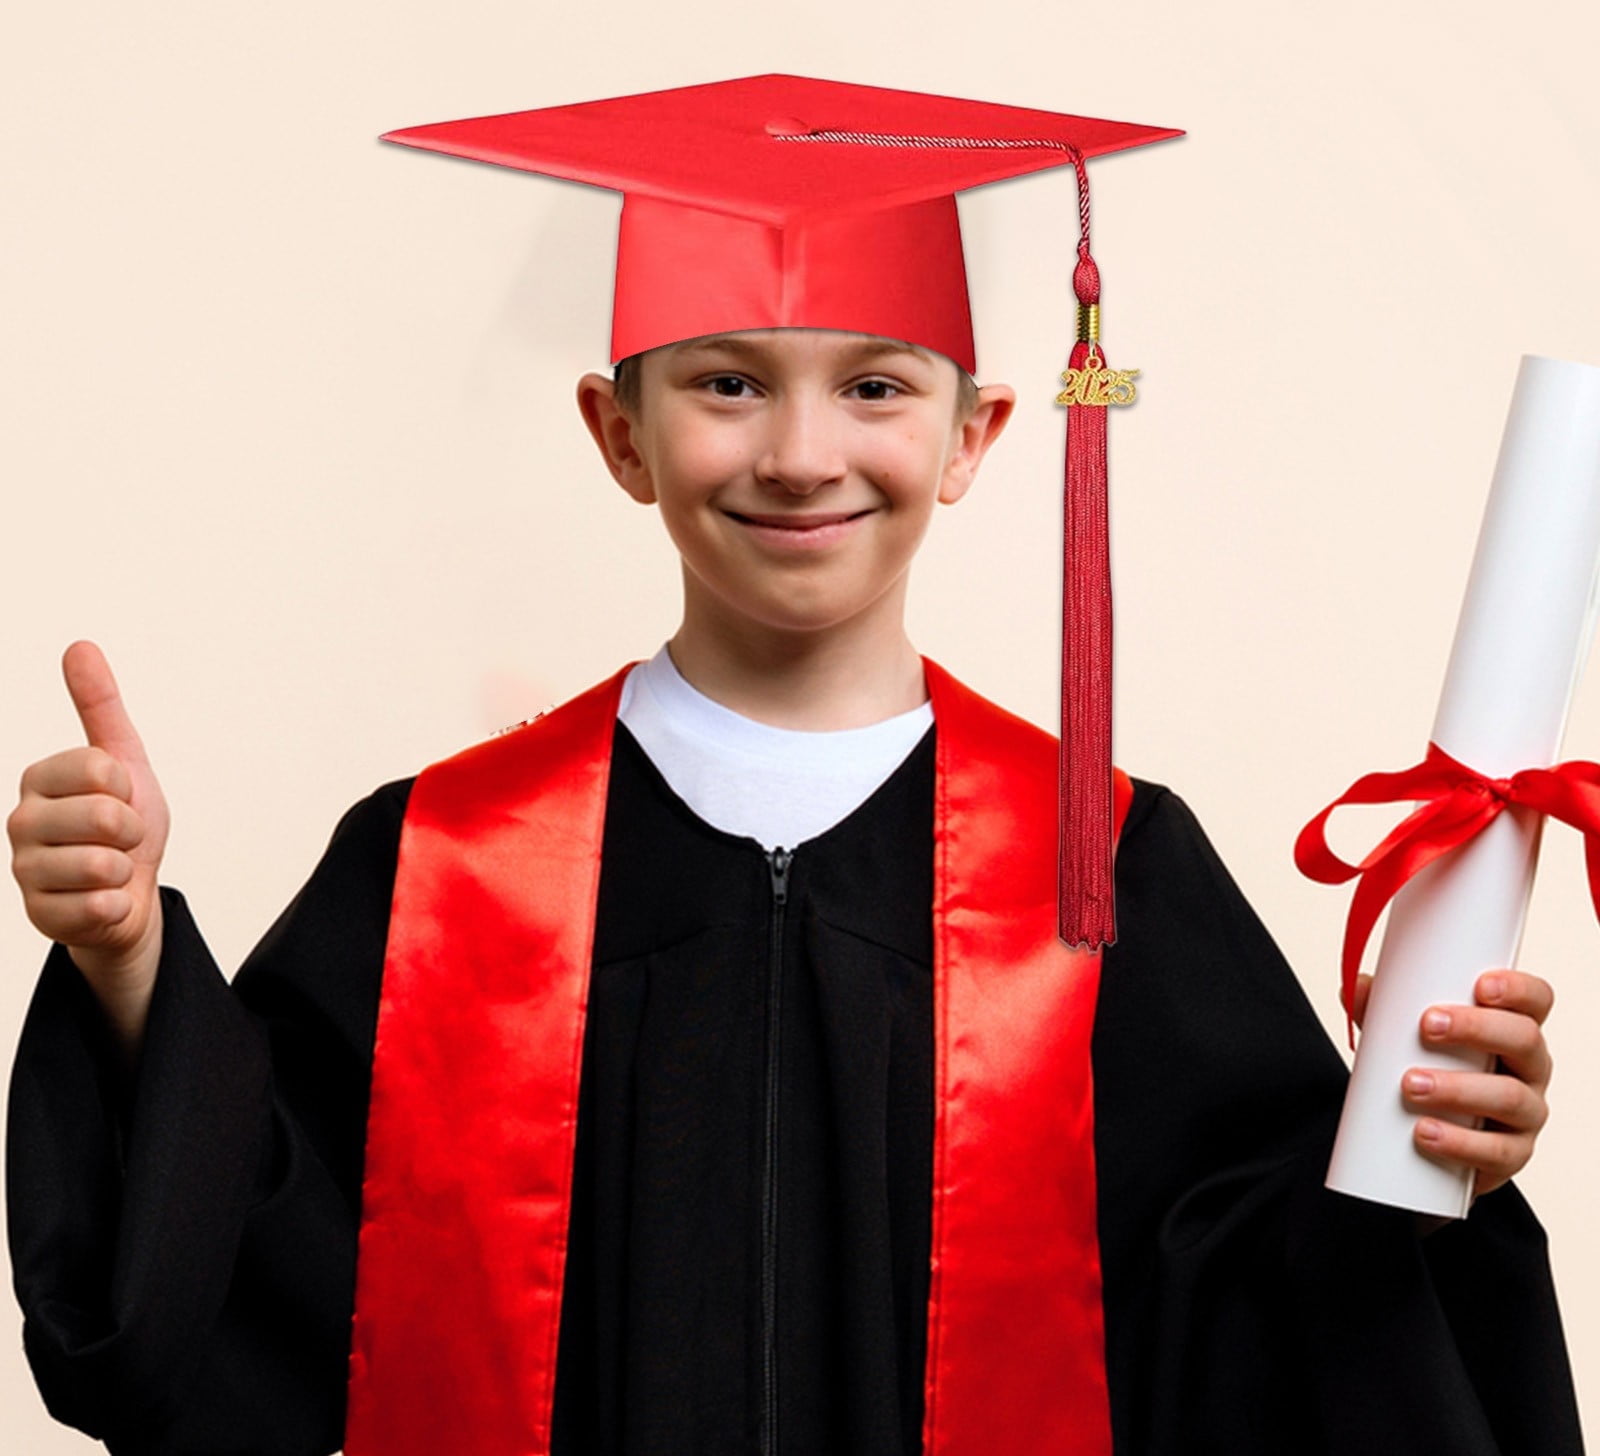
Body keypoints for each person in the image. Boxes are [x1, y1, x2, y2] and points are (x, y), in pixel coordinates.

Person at [6, 77, 1584, 1456]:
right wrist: (132, 962)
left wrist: (1429, 1158)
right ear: (619, 433)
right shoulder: (443, 860)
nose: (801, 453)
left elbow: (1260, 1327)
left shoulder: (1099, 870)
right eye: (726, 381)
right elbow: (253, 1292)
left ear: (976, 436)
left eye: (877, 385)